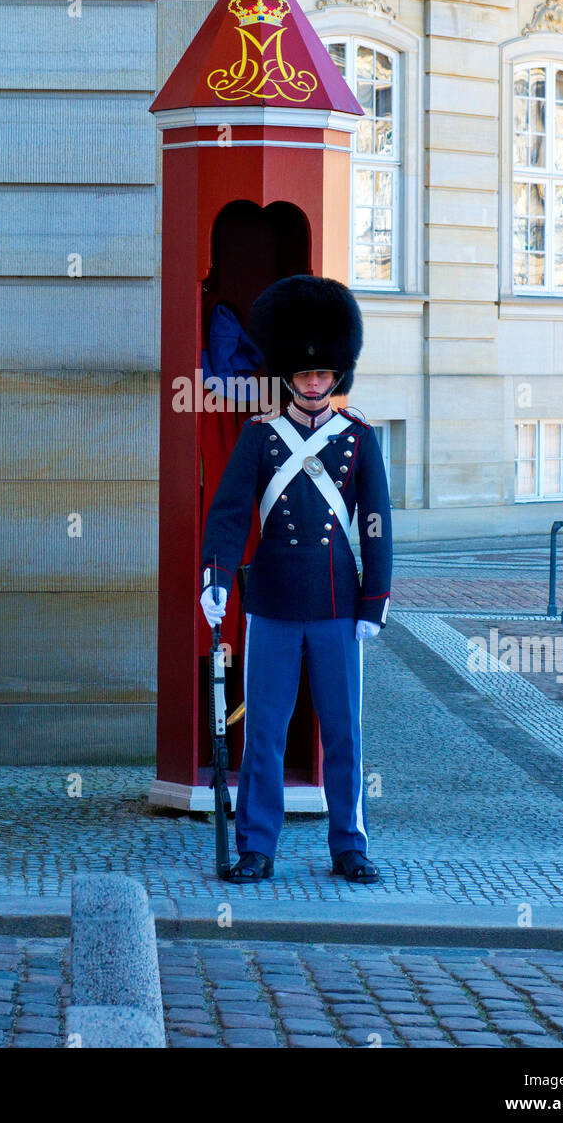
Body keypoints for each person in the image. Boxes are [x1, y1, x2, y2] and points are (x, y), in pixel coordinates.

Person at [198, 274, 392, 884]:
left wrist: (375, 601)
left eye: (323, 375)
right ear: (289, 375)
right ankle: (258, 845)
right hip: (274, 603)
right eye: (305, 375)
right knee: (264, 732)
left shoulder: (358, 439)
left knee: (343, 733)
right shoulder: (261, 440)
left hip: (339, 604)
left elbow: (378, 524)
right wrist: (217, 578)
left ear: (337, 377)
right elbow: (228, 515)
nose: (313, 383)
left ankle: (350, 844)